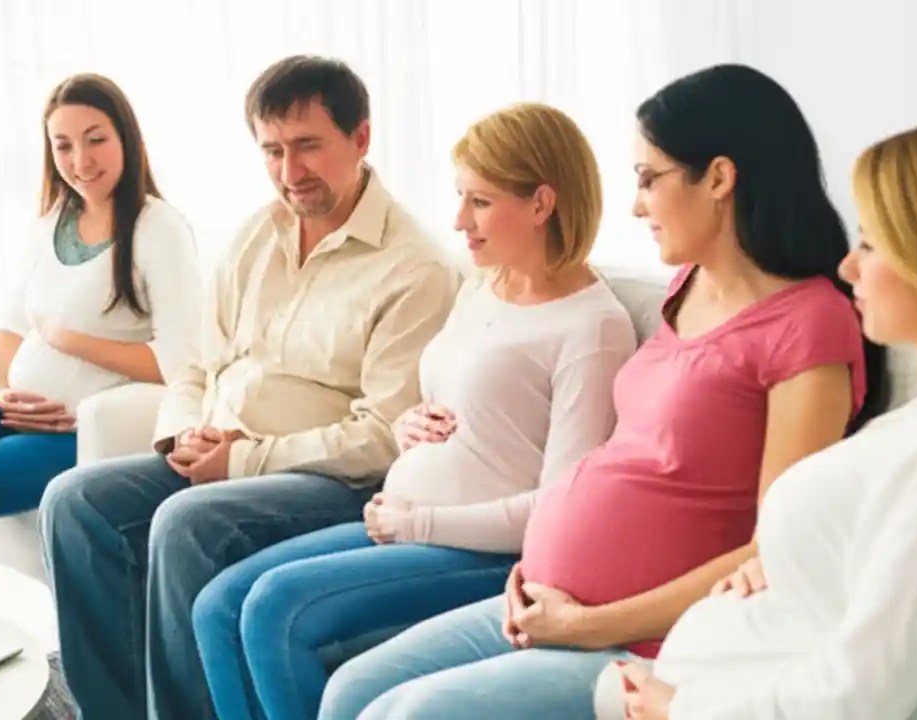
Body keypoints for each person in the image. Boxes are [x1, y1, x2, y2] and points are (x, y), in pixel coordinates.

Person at [319, 63, 887, 720]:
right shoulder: (684, 290)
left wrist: (591, 623)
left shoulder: (809, 324)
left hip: (643, 642)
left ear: (721, 178)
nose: (637, 204)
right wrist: (540, 571)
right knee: (349, 693)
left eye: (650, 179)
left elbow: (779, 550)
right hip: (547, 600)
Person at [38, 54, 461, 720]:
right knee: (73, 501)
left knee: (185, 523)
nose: (289, 172)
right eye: (272, 151)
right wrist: (180, 432)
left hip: (328, 481)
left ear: (361, 138)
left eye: (307, 147)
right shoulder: (257, 234)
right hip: (221, 455)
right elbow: (197, 365)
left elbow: (384, 440)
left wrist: (240, 459)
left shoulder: (416, 266)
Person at [191, 101, 638, 720]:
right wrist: (412, 426)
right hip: (403, 518)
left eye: (479, 201)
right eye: (460, 197)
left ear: (542, 203)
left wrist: (417, 524)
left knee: (274, 607)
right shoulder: (486, 285)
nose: (459, 221)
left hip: (482, 554)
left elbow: (559, 513)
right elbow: (461, 409)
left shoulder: (593, 328)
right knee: (216, 606)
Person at [611, 121, 917, 720]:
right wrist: (791, 564)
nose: (849, 266)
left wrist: (683, 710)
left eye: (871, 243)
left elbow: (865, 690)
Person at [0, 73, 202, 607]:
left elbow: (181, 363)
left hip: (72, 429)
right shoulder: (54, 219)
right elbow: (8, 326)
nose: (81, 160)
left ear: (127, 138)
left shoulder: (157, 228)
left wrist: (66, 338)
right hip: (14, 407)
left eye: (96, 139)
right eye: (64, 145)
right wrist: (3, 390)